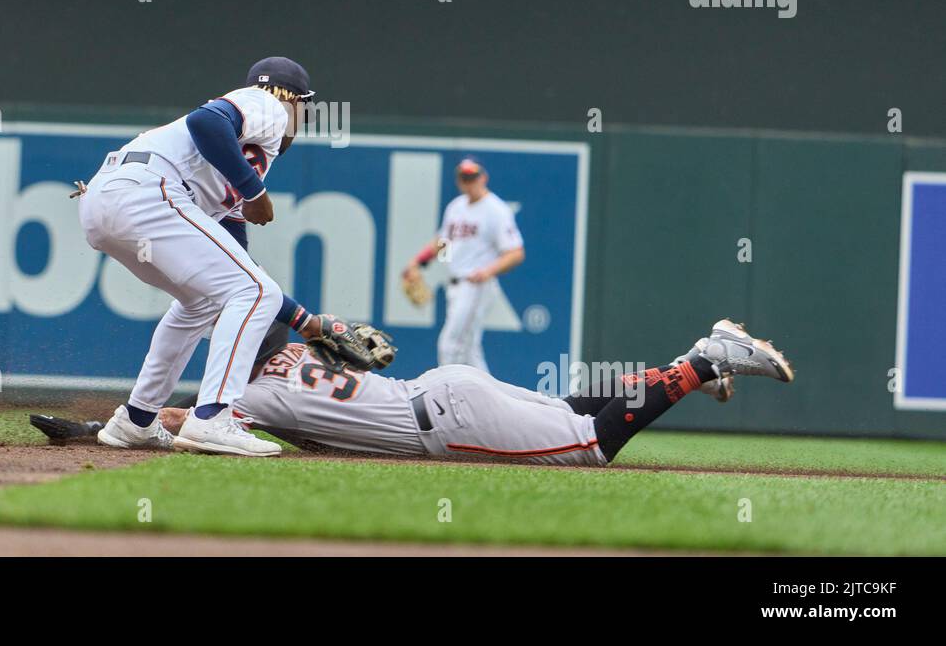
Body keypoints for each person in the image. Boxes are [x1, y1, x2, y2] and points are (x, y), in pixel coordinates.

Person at [78, 56, 315, 457]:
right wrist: (255, 193)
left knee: (204, 300)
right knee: (256, 293)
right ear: (297, 101)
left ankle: (136, 420)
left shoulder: (250, 151)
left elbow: (237, 260)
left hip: (110, 203)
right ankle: (212, 418)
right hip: (148, 191)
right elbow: (205, 122)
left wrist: (307, 321)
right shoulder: (268, 103)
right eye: (305, 108)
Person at [156, 319, 791, 465]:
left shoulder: (255, 399)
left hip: (446, 420)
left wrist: (126, 422)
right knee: (573, 407)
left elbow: (188, 422)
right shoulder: (296, 354)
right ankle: (679, 366)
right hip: (443, 383)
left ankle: (705, 363)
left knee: (590, 446)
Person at [403, 159, 525, 370]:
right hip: (455, 285)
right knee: (469, 352)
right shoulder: (456, 206)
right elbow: (444, 244)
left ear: (483, 178)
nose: (469, 183)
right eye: (465, 179)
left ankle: (445, 396)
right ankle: (489, 400)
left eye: (473, 178)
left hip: (475, 284)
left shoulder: (496, 209)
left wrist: (488, 271)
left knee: (450, 345)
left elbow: (515, 253)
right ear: (459, 181)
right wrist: (417, 263)